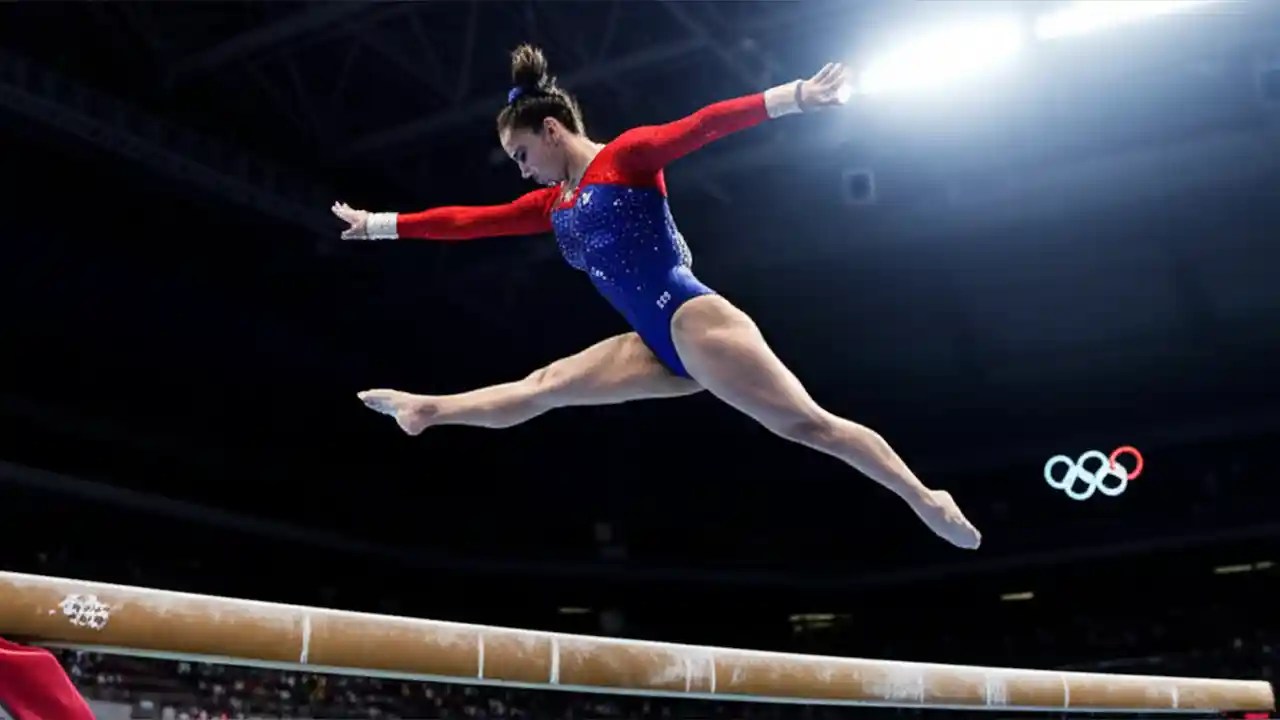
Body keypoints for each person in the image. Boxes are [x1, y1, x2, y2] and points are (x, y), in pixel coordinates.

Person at [332, 45, 981, 549]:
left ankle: (925, 497)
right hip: (653, 345)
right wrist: (379, 225)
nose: (522, 170)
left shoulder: (629, 157)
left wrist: (796, 97)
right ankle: (428, 411)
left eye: (523, 153)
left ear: (553, 130)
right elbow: (467, 221)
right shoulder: (554, 205)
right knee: (545, 385)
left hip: (695, 322)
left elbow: (703, 125)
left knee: (809, 426)